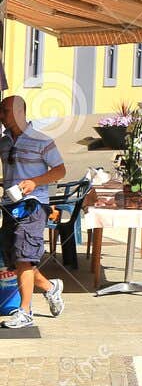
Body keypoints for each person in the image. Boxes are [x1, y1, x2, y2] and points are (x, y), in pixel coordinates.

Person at [0, 96, 67, 330]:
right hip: (9, 206)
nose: (1, 114)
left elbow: (60, 170)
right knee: (15, 262)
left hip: (34, 205)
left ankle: (26, 312)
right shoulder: (4, 142)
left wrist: (34, 182)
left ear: (19, 112)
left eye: (4, 111)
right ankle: (50, 287)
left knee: (23, 255)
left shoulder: (42, 140)